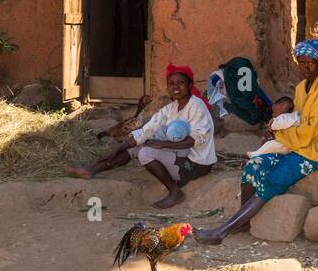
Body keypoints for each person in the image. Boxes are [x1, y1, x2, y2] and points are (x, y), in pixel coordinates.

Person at [194, 41, 318, 245]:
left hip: (316, 152)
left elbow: (309, 132)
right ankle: (243, 220)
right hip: (297, 145)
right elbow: (294, 119)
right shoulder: (301, 88)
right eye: (302, 62)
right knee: (253, 166)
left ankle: (223, 230)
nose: (306, 67)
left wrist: (279, 134)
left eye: (311, 62)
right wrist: (277, 130)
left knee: (271, 180)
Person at [67, 64, 215, 208]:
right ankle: (92, 169)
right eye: (171, 84)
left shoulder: (196, 106)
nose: (175, 87)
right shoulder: (171, 108)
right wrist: (120, 147)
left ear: (190, 85)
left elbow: (196, 139)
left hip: (196, 164)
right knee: (141, 143)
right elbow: (147, 131)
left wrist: (163, 145)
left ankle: (175, 192)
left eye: (181, 83)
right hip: (182, 154)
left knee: (146, 152)